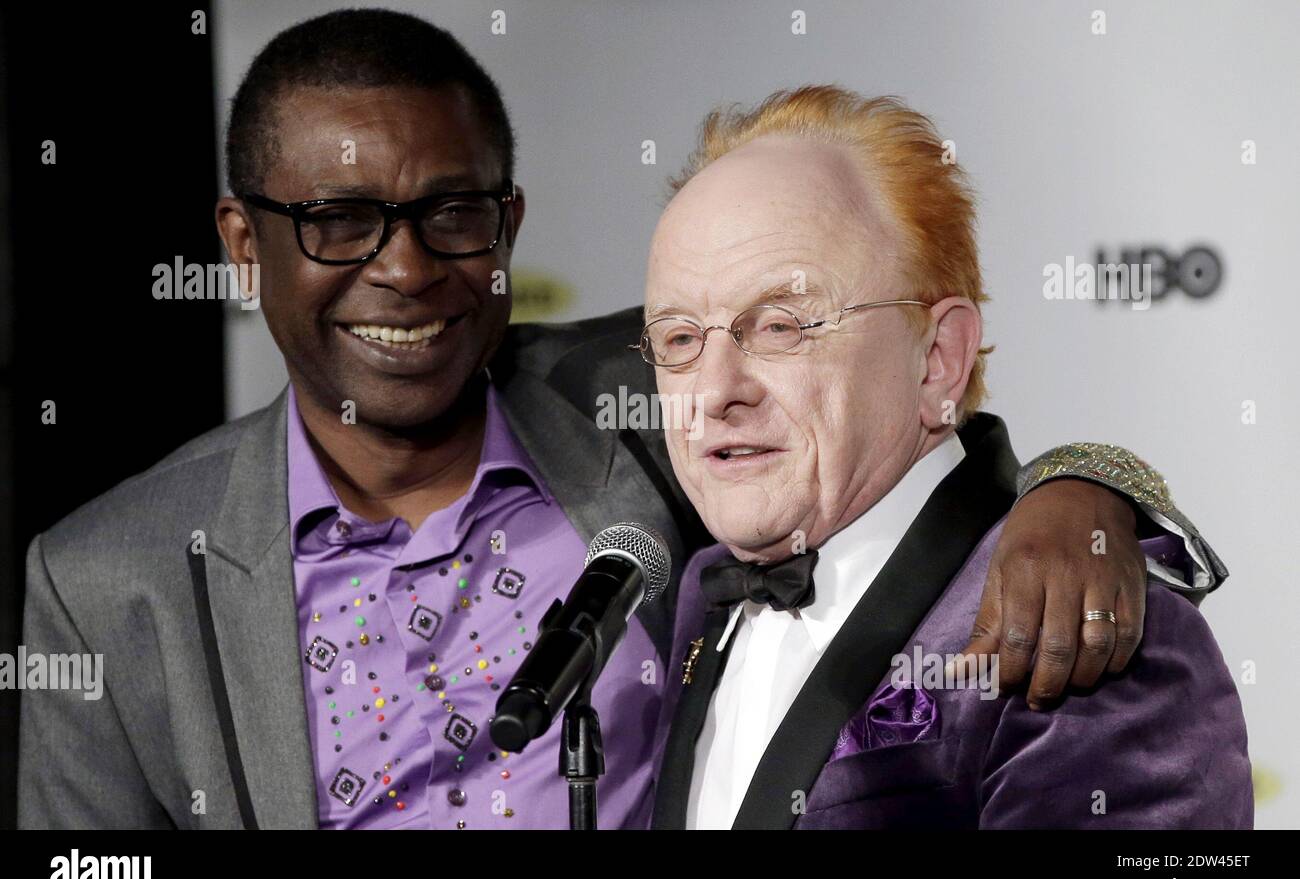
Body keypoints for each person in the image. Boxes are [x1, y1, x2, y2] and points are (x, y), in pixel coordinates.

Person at [19, 10, 1223, 830]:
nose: (402, 269)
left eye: (452, 215)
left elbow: (908, 429)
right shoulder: (106, 578)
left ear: (507, 224)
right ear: (243, 243)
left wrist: (1086, 487)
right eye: (339, 218)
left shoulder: (644, 398)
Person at [647, 87, 1250, 829]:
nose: (712, 391)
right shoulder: (689, 602)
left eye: (780, 325)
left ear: (937, 357)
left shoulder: (1077, 619)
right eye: (678, 339)